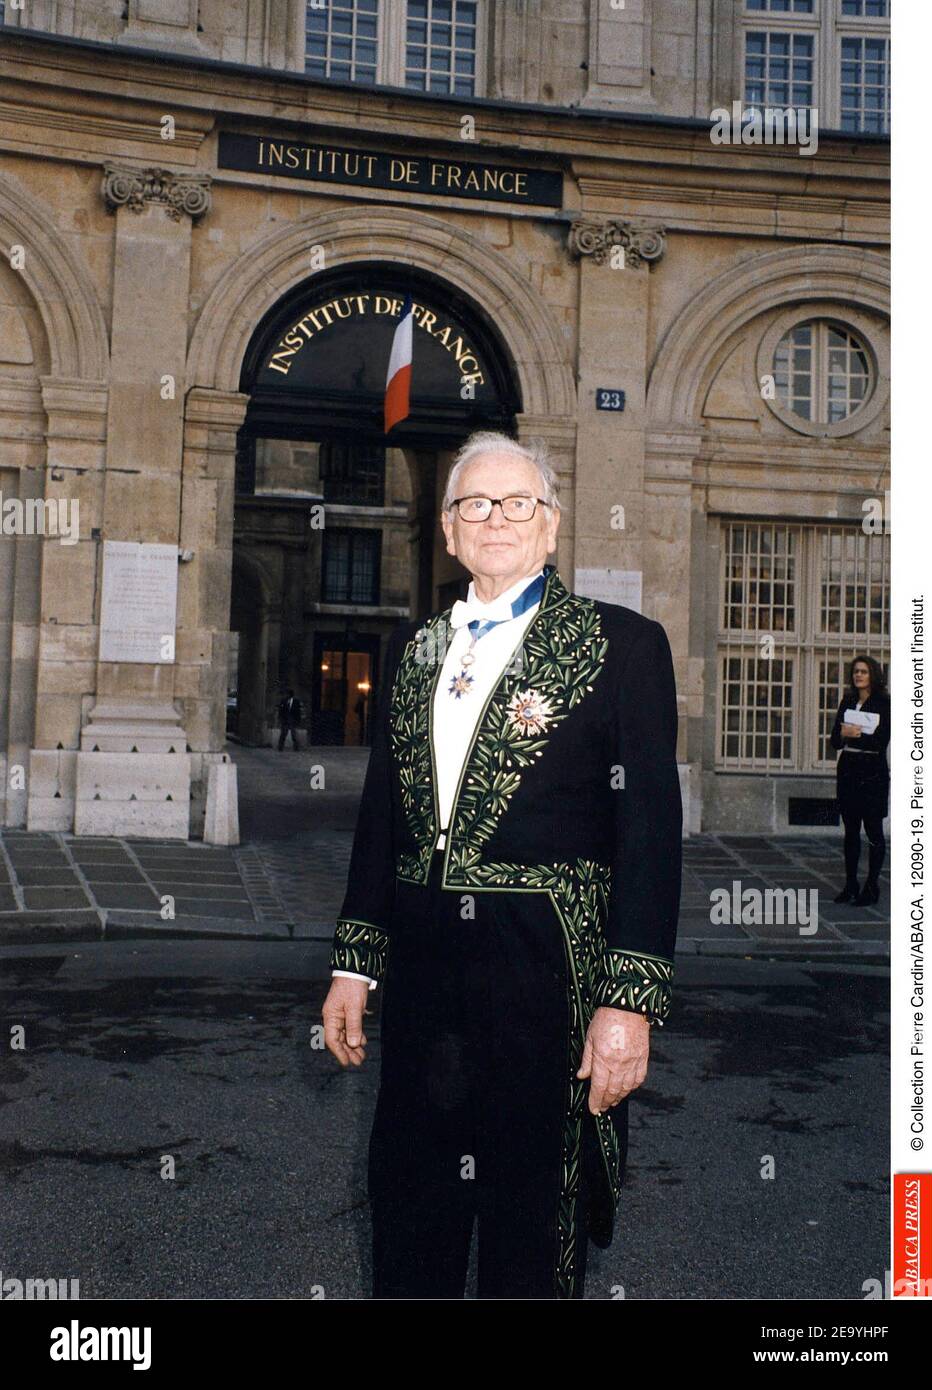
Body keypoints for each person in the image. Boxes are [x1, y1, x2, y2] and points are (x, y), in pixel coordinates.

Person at [322, 430, 683, 1300]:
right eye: (474, 505)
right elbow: (383, 822)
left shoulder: (621, 646)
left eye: (517, 503)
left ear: (551, 526)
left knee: (534, 1209)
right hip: (425, 972)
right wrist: (352, 966)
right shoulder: (411, 656)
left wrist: (628, 1005)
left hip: (549, 971)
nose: (495, 519)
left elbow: (650, 836)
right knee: (409, 1195)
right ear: (448, 531)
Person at [829, 655, 890, 906]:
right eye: (856, 671)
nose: (859, 675)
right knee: (850, 830)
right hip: (849, 769)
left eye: (864, 671)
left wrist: (853, 734)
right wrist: (847, 735)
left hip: (872, 770)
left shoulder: (885, 703)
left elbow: (881, 740)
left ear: (873, 675)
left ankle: (871, 885)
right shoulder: (848, 700)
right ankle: (851, 884)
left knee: (874, 830)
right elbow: (835, 740)